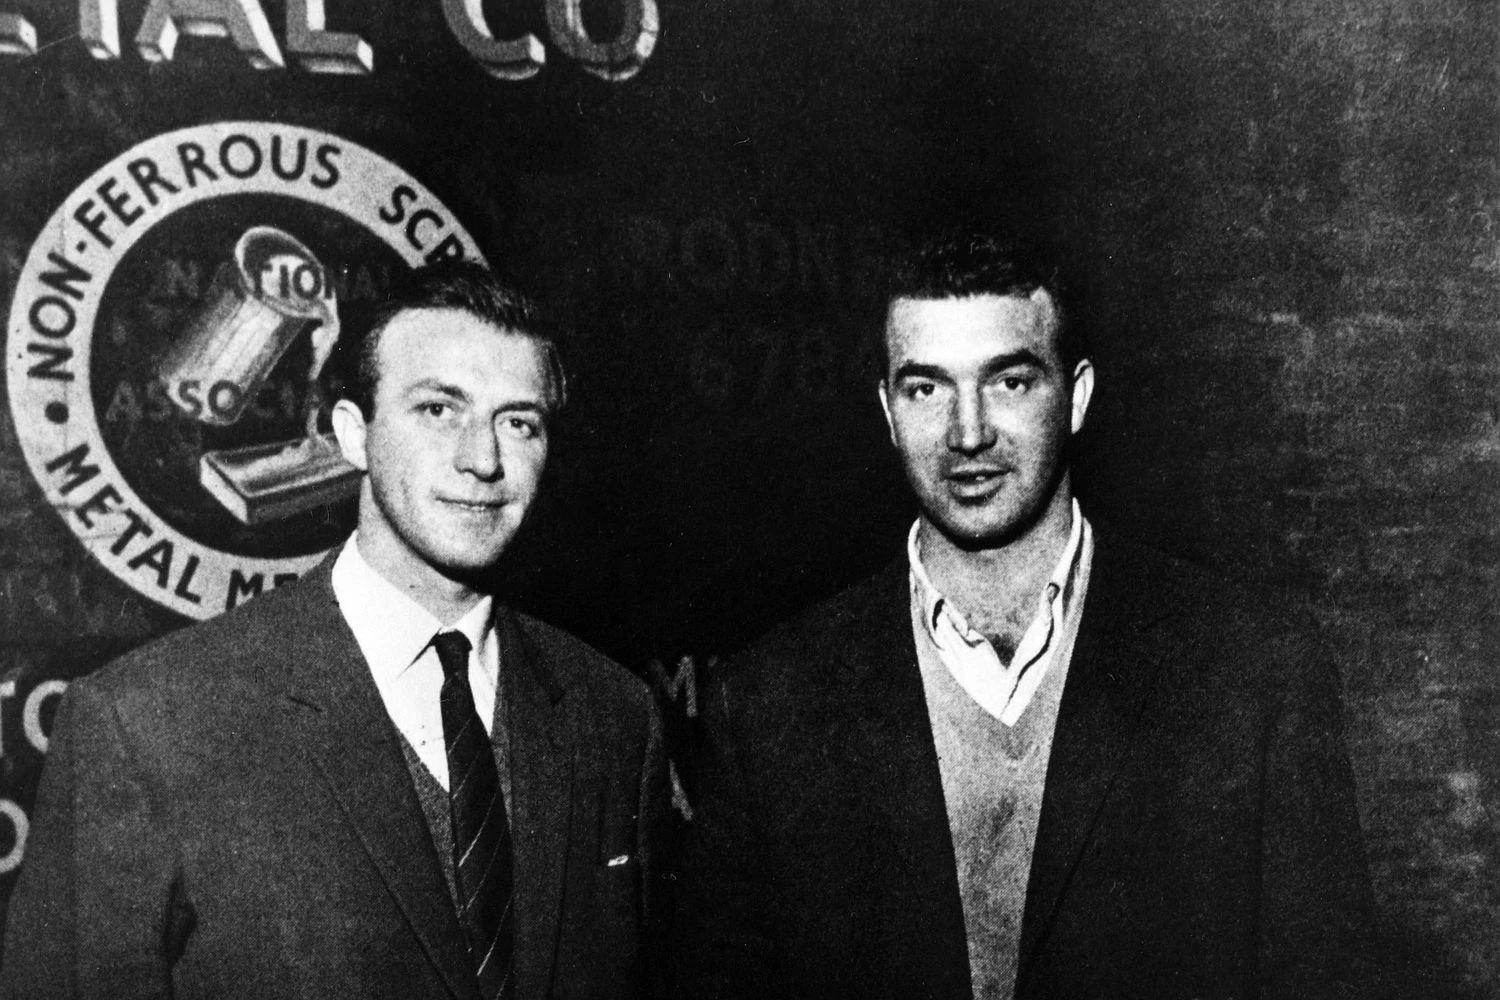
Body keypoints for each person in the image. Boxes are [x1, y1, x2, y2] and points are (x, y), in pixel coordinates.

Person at [671, 232, 1375, 999]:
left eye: (1009, 382)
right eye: (926, 389)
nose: (968, 432)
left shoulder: (1251, 670)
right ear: (887, 411)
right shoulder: (769, 703)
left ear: (1077, 396)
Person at [1, 261, 668, 1000]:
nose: (482, 460)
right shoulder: (149, 724)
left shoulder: (613, 716)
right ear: (353, 435)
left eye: (518, 422)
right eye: (438, 409)